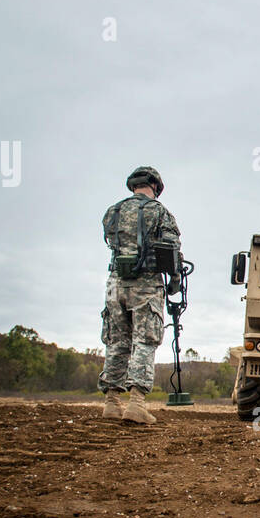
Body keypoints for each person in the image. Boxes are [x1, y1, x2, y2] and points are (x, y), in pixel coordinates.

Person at [98, 166, 181, 424]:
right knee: (144, 341)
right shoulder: (159, 212)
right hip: (145, 285)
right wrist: (175, 281)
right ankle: (136, 404)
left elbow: (112, 242)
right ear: (155, 187)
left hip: (115, 283)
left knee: (117, 342)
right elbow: (171, 249)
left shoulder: (113, 211)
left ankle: (111, 404)